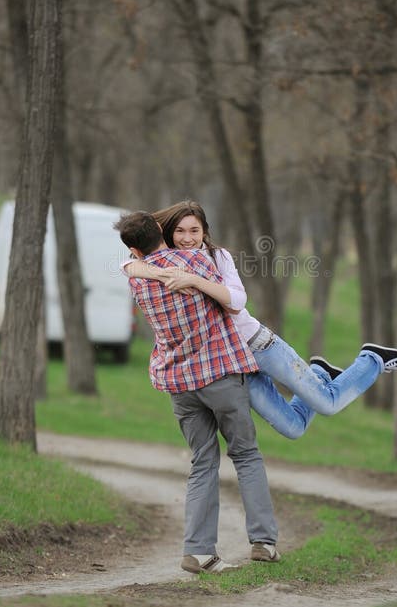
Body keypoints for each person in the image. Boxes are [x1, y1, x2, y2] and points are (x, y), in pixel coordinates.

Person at [122, 200, 397, 440]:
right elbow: (127, 265)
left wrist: (194, 281)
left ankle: (371, 359)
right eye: (181, 231)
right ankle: (320, 371)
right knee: (293, 428)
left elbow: (237, 303)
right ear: (169, 233)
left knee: (327, 404)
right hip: (230, 367)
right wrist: (161, 273)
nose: (188, 238)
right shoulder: (165, 261)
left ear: (204, 232)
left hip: (258, 346)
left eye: (195, 230)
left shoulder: (216, 257)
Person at [116, 210, 281, 575]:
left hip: (179, 384)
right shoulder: (194, 260)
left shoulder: (137, 279)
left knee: (203, 461)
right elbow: (233, 300)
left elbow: (131, 265)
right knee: (246, 454)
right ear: (162, 230)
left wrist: (145, 265)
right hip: (220, 374)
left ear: (132, 248)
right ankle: (264, 543)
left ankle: (199, 551)